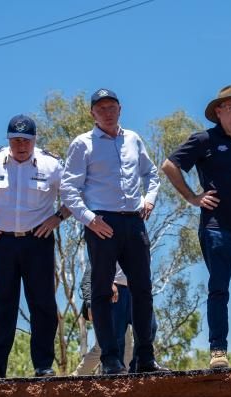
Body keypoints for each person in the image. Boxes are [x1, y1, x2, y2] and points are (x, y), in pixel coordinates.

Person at [162, 84, 231, 369]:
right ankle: (218, 350)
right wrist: (193, 197)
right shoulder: (205, 140)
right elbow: (170, 166)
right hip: (216, 228)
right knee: (219, 289)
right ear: (218, 112)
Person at [61, 88, 167, 375]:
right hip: (102, 223)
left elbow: (152, 174)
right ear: (92, 113)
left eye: (112, 107)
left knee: (142, 290)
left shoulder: (133, 139)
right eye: (101, 108)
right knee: (101, 291)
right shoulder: (82, 144)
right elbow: (69, 188)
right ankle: (110, 360)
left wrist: (150, 199)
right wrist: (89, 219)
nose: (107, 112)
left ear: (120, 109)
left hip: (134, 221)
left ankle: (145, 358)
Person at [0, 115, 67, 378]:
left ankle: (43, 365)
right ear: (8, 140)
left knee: (42, 303)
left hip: (38, 241)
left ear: (34, 140)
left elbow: (76, 194)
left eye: (26, 141)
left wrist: (57, 218)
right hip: (2, 242)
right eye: (16, 140)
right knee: (2, 304)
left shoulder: (52, 165)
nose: (21, 146)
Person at [73, 261, 157, 375]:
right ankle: (76, 376)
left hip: (128, 299)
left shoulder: (132, 252)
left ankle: (127, 377)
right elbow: (87, 279)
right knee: (102, 348)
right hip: (109, 302)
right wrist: (89, 303)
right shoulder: (103, 250)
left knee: (127, 346)